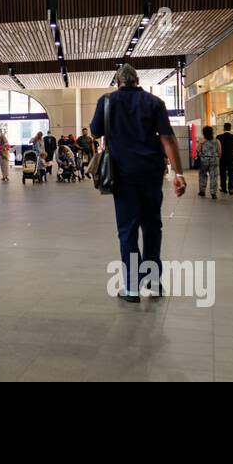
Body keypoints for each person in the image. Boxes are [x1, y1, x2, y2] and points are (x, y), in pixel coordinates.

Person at [90, 63, 185, 303]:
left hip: (122, 174)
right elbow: (167, 138)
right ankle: (153, 281)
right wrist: (179, 173)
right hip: (152, 172)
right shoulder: (155, 103)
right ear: (137, 80)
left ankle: (132, 286)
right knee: (153, 225)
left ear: (118, 81)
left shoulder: (107, 101)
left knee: (128, 229)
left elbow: (94, 132)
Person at [217, 122, 233, 196]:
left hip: (222, 158)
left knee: (222, 173)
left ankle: (223, 188)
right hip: (231, 158)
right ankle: (231, 189)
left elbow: (216, 148)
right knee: (231, 173)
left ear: (224, 128)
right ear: (230, 128)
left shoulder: (219, 137)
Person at [198, 126, 220, 200]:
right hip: (214, 160)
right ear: (212, 132)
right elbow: (220, 153)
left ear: (203, 133)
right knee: (214, 176)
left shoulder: (202, 141)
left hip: (204, 160)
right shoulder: (217, 141)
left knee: (202, 175)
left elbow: (198, 151)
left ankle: (202, 191)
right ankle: (213, 193)